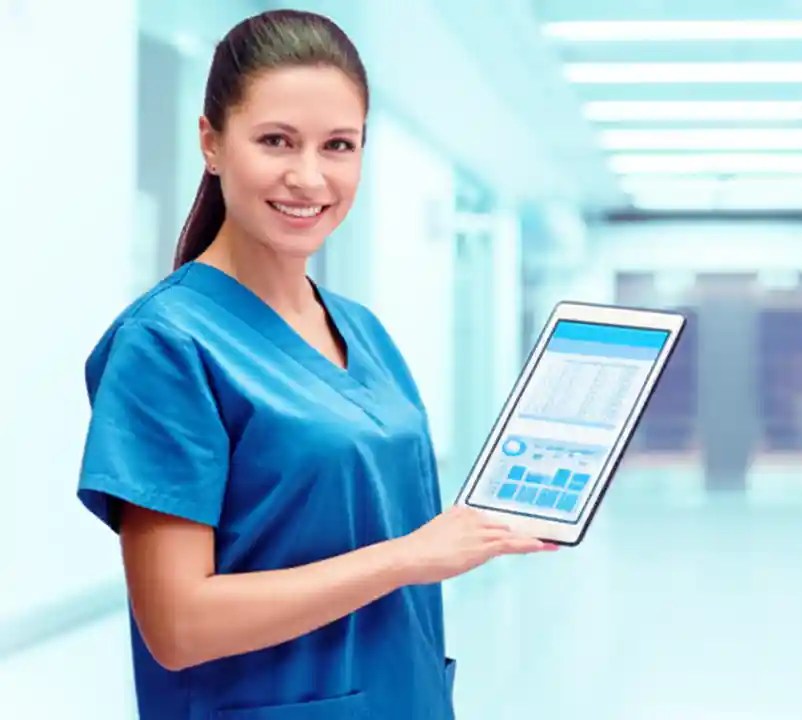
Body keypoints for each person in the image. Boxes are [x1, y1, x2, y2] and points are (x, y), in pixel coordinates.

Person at [75, 9, 555, 719]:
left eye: (338, 145)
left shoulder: (363, 331)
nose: (309, 177)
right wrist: (410, 558)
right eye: (276, 141)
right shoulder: (168, 344)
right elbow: (178, 625)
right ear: (211, 143)